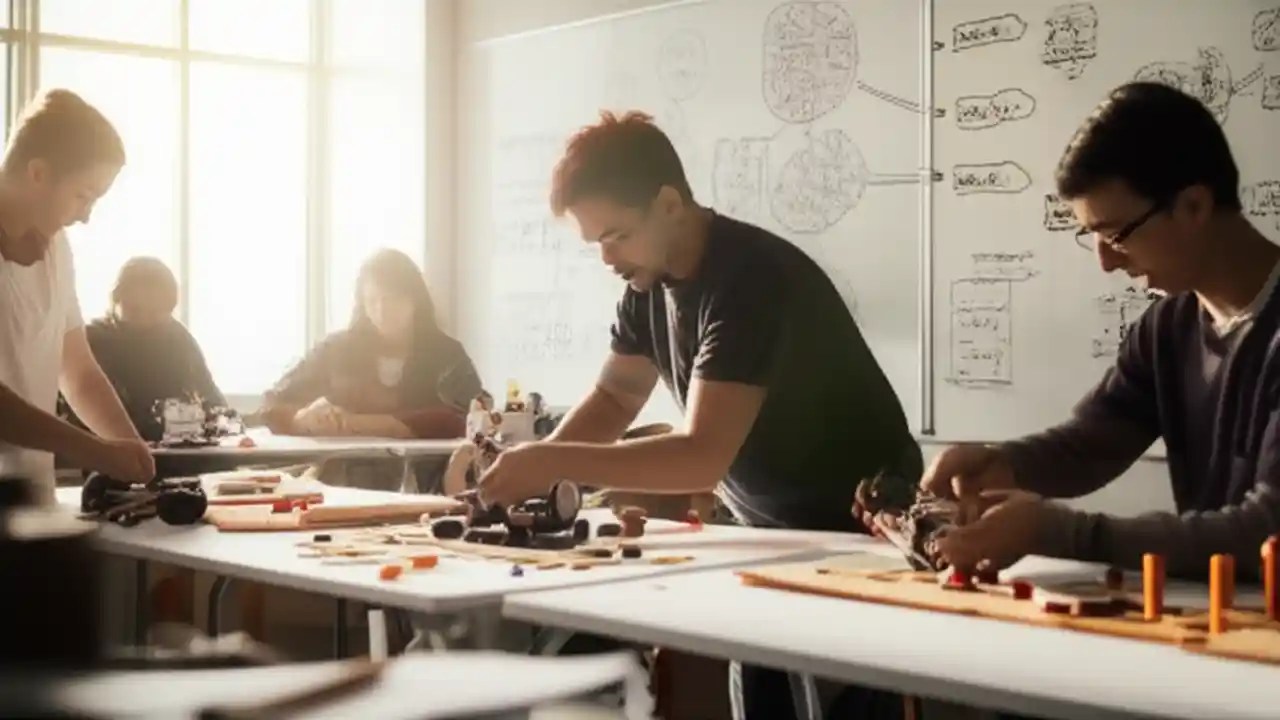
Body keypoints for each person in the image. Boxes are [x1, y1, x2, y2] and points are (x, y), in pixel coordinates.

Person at [476, 110, 922, 719]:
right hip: (769, 531)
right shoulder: (645, 287)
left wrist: (550, 459)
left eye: (616, 236)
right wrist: (531, 474)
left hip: (856, 529)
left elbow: (701, 455)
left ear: (667, 203)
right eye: (596, 243)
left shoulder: (748, 280)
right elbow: (612, 400)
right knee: (763, 698)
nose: (607, 259)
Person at [923, 82, 1280, 580]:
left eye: (1116, 235)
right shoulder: (1166, 328)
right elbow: (1092, 444)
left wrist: (1055, 532)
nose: (1106, 262)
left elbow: (1266, 532)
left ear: (1194, 206)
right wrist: (1000, 464)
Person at [0, 88, 155, 502]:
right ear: (38, 173)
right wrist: (95, 451)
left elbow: (77, 370)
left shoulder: (56, 248)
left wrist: (129, 447)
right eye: (82, 195)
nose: (86, 214)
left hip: (29, 502)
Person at [261, 248, 482, 441]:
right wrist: (302, 418)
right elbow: (271, 405)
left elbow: (469, 418)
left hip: (429, 479)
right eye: (372, 301)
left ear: (415, 300)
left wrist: (358, 423)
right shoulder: (336, 350)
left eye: (392, 299)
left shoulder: (446, 355)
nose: (382, 311)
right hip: (342, 477)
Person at [60, 256, 225, 443]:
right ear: (116, 299)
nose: (145, 322)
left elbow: (210, 397)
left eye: (155, 313)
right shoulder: (91, 340)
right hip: (107, 450)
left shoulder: (177, 338)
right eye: (136, 310)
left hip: (175, 448)